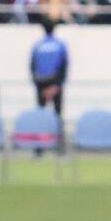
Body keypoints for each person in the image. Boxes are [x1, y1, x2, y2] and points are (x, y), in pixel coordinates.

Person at [30, 19, 69, 149]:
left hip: (41, 84)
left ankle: (38, 148)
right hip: (55, 84)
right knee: (57, 115)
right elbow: (64, 67)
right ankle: (60, 146)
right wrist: (57, 86)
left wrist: (40, 87)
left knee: (40, 116)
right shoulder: (60, 45)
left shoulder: (38, 45)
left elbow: (32, 67)